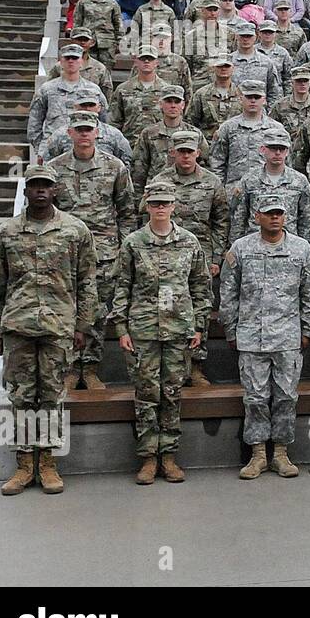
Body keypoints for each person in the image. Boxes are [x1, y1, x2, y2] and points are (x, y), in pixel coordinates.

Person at [0, 164, 98, 496]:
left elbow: (87, 282)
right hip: (18, 326)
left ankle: (47, 462)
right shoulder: (6, 233)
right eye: (34, 185)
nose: (40, 191)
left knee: (51, 396)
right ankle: (23, 464)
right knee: (20, 397)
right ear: (26, 191)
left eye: (46, 185)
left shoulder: (75, 231)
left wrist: (82, 325)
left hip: (58, 326)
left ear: (55, 190)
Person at [108, 181, 211, 485]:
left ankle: (169, 455)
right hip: (143, 330)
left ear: (174, 206)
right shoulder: (133, 243)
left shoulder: (189, 242)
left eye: (165, 204)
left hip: (179, 329)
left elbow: (201, 287)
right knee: (146, 394)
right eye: (155, 204)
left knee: (172, 392)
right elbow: (122, 286)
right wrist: (121, 328)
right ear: (147, 207)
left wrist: (200, 325)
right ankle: (148, 458)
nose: (161, 209)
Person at [221, 194, 310, 480]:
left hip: (288, 337)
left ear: (286, 216)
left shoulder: (301, 249)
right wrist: (230, 329)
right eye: (268, 213)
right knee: (255, 398)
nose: (275, 217)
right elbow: (229, 292)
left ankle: (280, 452)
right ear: (257, 216)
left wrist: (309, 329)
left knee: (286, 397)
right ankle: (257, 455)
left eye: (279, 213)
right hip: (252, 337)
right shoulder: (241, 248)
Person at [48, 111, 137, 390]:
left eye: (89, 129)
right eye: (79, 129)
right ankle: (71, 368)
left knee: (97, 311)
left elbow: (126, 212)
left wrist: (123, 247)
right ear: (70, 133)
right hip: (65, 250)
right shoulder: (55, 169)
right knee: (66, 309)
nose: (84, 134)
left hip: (104, 251)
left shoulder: (115, 167)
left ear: (97, 132)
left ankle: (91, 368)